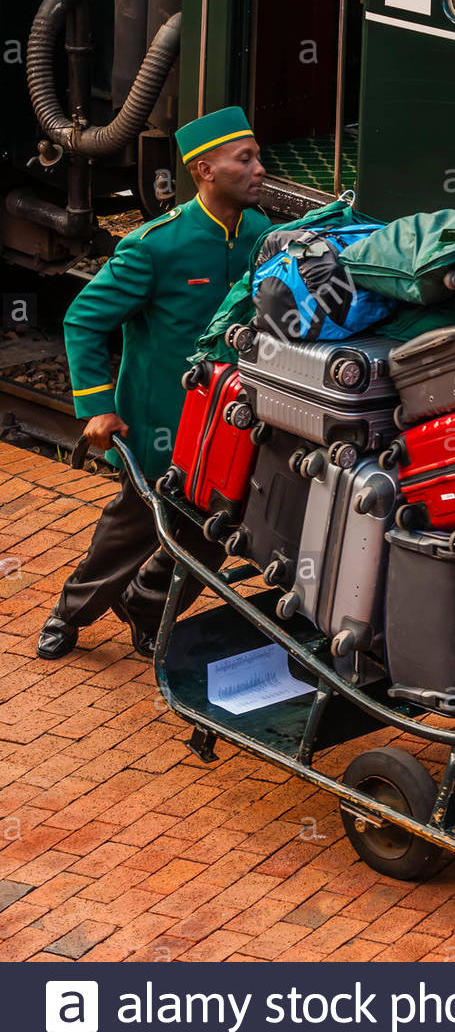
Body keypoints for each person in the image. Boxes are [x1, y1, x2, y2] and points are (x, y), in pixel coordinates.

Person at [36, 106, 272, 661]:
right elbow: (84, 319)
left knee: (211, 536)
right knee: (131, 533)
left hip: (230, 426)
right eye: (246, 159)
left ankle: (146, 610)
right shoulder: (154, 246)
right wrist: (96, 406)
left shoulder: (264, 237)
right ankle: (69, 614)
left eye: (258, 156)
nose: (260, 168)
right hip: (159, 425)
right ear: (207, 170)